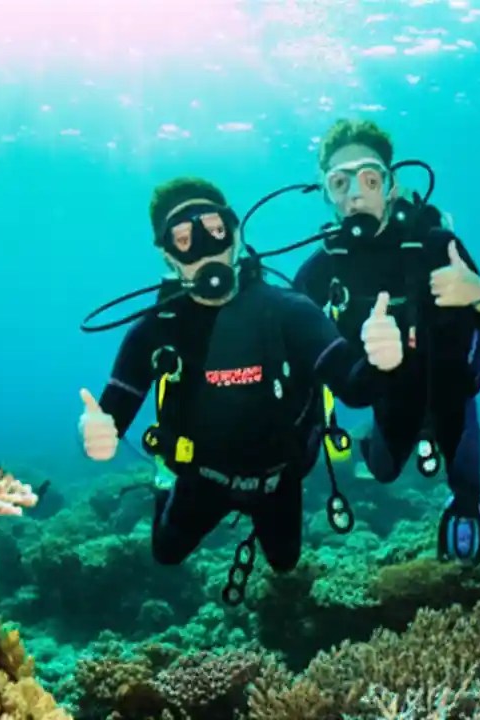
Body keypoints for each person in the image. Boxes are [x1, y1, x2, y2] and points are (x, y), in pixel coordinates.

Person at [77, 176, 404, 604]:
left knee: (285, 562)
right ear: (167, 257)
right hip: (201, 477)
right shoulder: (155, 329)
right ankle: (164, 483)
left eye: (215, 230)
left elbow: (356, 389)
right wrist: (96, 430)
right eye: (184, 239)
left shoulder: (288, 310)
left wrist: (383, 361)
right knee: (166, 553)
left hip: (277, 477)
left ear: (236, 233)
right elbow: (111, 412)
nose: (206, 249)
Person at [292, 118, 480, 566]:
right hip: (388, 395)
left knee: (466, 491)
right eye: (340, 182)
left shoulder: (437, 244)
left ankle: (464, 504)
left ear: (391, 186)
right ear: (326, 195)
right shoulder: (321, 271)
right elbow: (291, 351)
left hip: (450, 385)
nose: (355, 194)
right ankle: (388, 441)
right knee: (383, 470)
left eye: (369, 179)